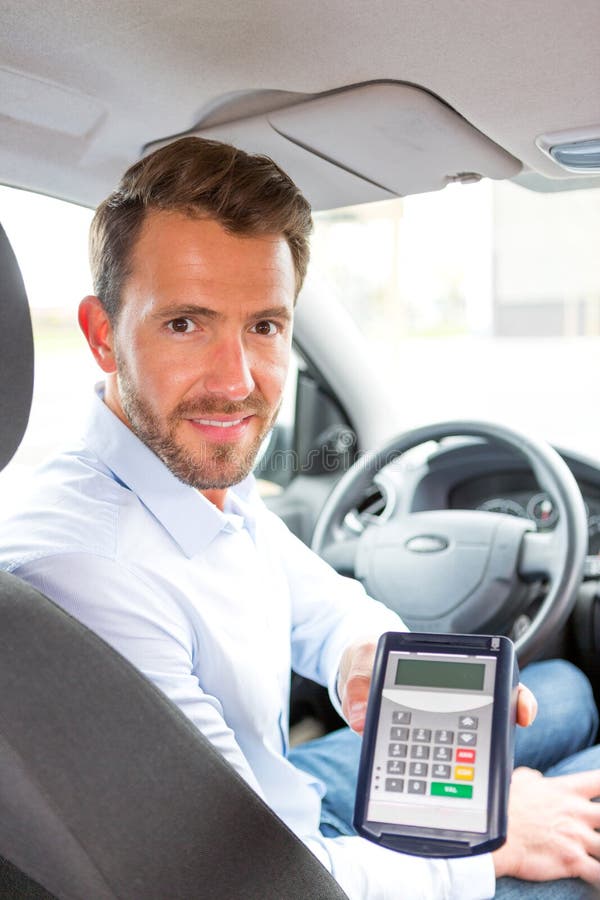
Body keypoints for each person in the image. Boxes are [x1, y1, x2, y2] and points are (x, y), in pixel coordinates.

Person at [1, 136, 600, 899]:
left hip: (263, 803)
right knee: (581, 797)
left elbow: (323, 606)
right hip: (271, 866)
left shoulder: (190, 475)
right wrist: (491, 850)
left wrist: (363, 658)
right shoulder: (88, 570)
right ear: (100, 334)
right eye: (186, 324)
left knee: (565, 691)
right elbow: (251, 882)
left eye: (264, 326)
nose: (236, 382)